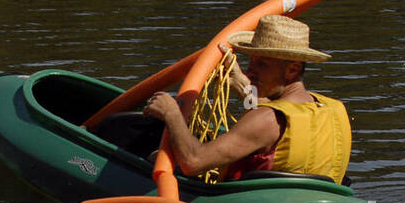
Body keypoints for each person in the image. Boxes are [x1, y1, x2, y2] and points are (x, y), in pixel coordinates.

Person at [142, 14, 351, 183]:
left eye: (262, 64)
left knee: (152, 158)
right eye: (251, 62)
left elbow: (193, 162)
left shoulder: (265, 120)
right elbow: (278, 121)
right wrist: (243, 86)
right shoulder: (331, 108)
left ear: (292, 69)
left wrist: (172, 114)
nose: (250, 72)